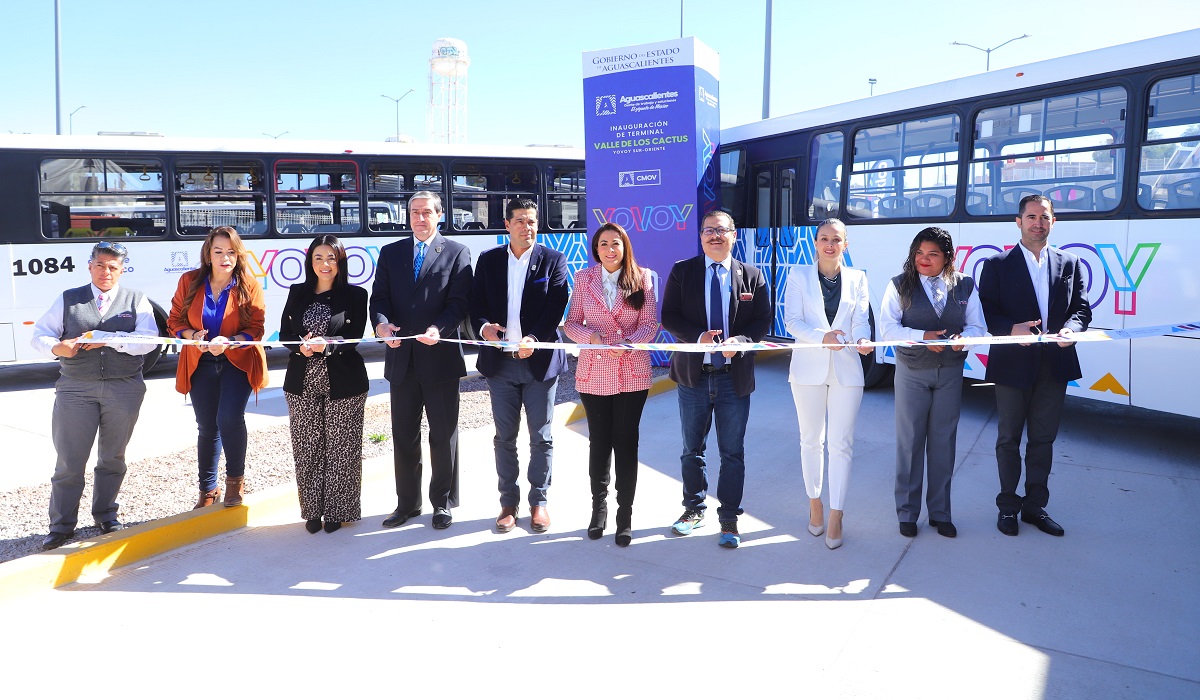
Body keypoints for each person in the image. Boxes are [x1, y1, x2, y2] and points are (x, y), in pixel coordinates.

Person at [32, 241, 157, 550]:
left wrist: (111, 340)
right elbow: (39, 335)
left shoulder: (136, 300)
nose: (106, 271)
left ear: (122, 269)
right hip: (76, 388)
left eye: (113, 267)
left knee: (112, 457)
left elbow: (149, 341)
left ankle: (105, 515)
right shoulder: (69, 299)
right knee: (69, 460)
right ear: (90, 266)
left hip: (124, 386)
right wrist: (56, 348)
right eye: (100, 265)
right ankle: (61, 525)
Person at [979, 195, 1090, 537]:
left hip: (1054, 363)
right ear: (1019, 222)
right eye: (1031, 216)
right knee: (1008, 439)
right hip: (1013, 362)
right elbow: (986, 308)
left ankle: (1034, 507)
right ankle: (1008, 507)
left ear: (1052, 222)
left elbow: (1081, 309)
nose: (1037, 222)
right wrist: (1010, 329)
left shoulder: (1069, 262)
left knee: (1043, 439)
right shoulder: (997, 264)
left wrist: (1073, 328)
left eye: (1044, 217)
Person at [661, 210, 772, 548]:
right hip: (693, 378)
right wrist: (698, 336)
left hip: (732, 379)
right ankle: (693, 510)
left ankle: (729, 519)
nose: (715, 236)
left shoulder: (752, 276)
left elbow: (763, 320)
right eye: (708, 230)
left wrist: (741, 342)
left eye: (721, 230)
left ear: (733, 235)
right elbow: (669, 316)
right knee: (691, 450)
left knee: (732, 452)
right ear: (701, 236)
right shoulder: (683, 272)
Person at [370, 191, 472, 530]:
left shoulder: (457, 253)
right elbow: (379, 298)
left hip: (439, 357)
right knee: (404, 435)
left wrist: (438, 327)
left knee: (442, 435)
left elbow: (459, 303)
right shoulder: (391, 252)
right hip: (402, 359)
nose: (419, 218)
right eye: (414, 212)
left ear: (439, 215)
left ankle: (441, 503)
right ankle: (407, 504)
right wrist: (382, 324)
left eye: (426, 212)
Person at [470, 198, 569, 534]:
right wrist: (484, 328)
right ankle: (508, 503)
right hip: (501, 365)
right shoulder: (489, 260)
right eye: (521, 221)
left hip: (538, 364)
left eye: (532, 221)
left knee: (541, 437)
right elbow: (476, 304)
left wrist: (534, 337)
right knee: (504, 438)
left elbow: (556, 306)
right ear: (507, 223)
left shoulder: (552, 260)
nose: (528, 227)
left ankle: (538, 502)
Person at [879, 227, 986, 539]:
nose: (924, 260)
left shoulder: (965, 284)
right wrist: (922, 338)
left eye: (933, 254)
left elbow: (978, 326)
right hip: (912, 372)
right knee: (910, 443)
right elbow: (887, 329)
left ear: (947, 258)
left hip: (950, 374)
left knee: (943, 443)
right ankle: (908, 514)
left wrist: (964, 342)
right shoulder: (899, 284)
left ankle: (940, 513)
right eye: (919, 253)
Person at [563, 223, 659, 547]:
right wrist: (590, 337)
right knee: (599, 442)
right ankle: (598, 510)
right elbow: (572, 323)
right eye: (603, 244)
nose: (609, 249)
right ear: (596, 249)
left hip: (632, 372)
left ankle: (625, 517)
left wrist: (628, 342)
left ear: (624, 246)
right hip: (594, 373)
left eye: (615, 243)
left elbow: (649, 324)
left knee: (626, 442)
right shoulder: (583, 279)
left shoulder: (642, 277)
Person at [783, 219, 872, 550]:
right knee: (810, 441)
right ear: (816, 243)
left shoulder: (858, 278)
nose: (830, 244)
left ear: (845, 245)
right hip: (808, 369)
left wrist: (863, 338)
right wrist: (822, 337)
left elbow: (861, 319)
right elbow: (792, 321)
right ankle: (815, 504)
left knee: (841, 445)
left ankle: (836, 514)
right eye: (824, 238)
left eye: (837, 239)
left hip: (847, 370)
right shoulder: (798, 275)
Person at [168, 226, 268, 509]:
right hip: (200, 362)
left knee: (229, 419)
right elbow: (174, 321)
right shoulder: (189, 281)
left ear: (238, 255)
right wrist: (192, 336)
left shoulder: (249, 285)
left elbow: (256, 329)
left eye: (230, 252)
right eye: (218, 251)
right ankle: (207, 490)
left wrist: (231, 341)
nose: (225, 258)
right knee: (207, 427)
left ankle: (235, 482)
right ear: (208, 254)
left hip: (237, 362)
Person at [280, 235, 369, 534]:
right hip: (302, 381)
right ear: (310, 262)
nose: (324, 264)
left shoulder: (356, 296)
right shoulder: (297, 292)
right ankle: (312, 511)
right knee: (307, 448)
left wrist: (326, 345)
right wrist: (299, 348)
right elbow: (284, 335)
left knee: (342, 448)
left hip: (344, 381)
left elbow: (355, 337)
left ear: (340, 261)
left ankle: (338, 511)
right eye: (318, 258)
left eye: (331, 258)